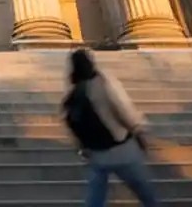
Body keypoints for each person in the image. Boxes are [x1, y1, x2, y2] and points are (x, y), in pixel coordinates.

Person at [61, 49, 159, 207]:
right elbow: (123, 108)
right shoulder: (103, 82)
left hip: (96, 155)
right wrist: (138, 129)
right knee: (146, 194)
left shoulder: (74, 92)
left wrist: (82, 148)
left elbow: (71, 122)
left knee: (95, 198)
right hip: (121, 149)